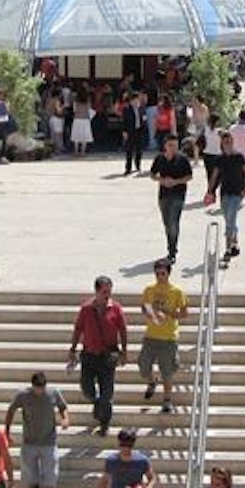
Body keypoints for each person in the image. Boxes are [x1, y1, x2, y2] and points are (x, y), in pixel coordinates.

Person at [4, 371, 68, 488]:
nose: (40, 391)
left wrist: (65, 418)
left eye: (42, 388)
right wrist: (7, 431)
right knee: (29, 471)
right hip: (30, 441)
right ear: (32, 386)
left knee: (50, 476)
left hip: (48, 442)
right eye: (37, 388)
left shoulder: (53, 393)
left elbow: (62, 406)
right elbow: (11, 410)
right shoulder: (23, 395)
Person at [67, 276, 128, 436]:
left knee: (107, 392)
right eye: (104, 292)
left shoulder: (115, 309)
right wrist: (72, 349)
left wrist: (124, 351)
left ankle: (104, 422)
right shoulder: (86, 309)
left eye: (109, 291)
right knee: (87, 388)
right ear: (96, 291)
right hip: (89, 354)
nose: (107, 295)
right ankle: (96, 402)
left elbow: (122, 330)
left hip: (108, 355)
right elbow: (78, 328)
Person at [139, 258, 188, 413]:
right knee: (143, 366)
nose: (160, 277)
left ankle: (167, 399)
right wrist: (150, 313)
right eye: (157, 273)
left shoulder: (177, 292)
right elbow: (144, 307)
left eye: (163, 273)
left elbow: (184, 313)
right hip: (151, 335)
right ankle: (152, 381)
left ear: (168, 273)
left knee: (166, 372)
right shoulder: (149, 290)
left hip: (168, 338)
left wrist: (169, 313)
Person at [205, 132, 245, 268]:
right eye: (225, 143)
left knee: (230, 220)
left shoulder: (239, 157)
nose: (228, 145)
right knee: (229, 219)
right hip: (224, 193)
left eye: (230, 142)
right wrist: (210, 190)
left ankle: (228, 249)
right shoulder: (219, 159)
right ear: (222, 144)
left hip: (237, 193)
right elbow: (214, 176)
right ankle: (235, 242)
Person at [150, 134, 193, 263]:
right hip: (163, 194)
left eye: (175, 146)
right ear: (165, 146)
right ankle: (171, 244)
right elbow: (152, 174)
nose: (173, 148)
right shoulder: (159, 158)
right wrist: (161, 180)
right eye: (170, 145)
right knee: (167, 223)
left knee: (174, 222)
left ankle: (172, 250)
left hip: (178, 194)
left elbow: (189, 176)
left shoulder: (182, 159)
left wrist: (176, 181)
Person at [122, 91, 148, 175]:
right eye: (135, 100)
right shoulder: (127, 109)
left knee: (139, 150)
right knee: (129, 150)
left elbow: (144, 120)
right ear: (131, 101)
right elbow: (124, 122)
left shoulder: (141, 109)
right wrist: (124, 131)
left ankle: (138, 166)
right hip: (130, 131)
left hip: (139, 131)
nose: (137, 102)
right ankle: (128, 168)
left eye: (138, 100)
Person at [200, 113, 222, 186]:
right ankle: (213, 189)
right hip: (217, 154)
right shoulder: (220, 131)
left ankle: (210, 191)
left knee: (209, 174)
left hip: (207, 154)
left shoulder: (205, 129)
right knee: (218, 175)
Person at [71, 89, 94, 155]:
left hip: (77, 119)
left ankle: (76, 151)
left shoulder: (75, 101)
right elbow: (89, 109)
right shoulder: (88, 101)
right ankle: (83, 151)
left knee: (76, 135)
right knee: (85, 136)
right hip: (85, 119)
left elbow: (74, 110)